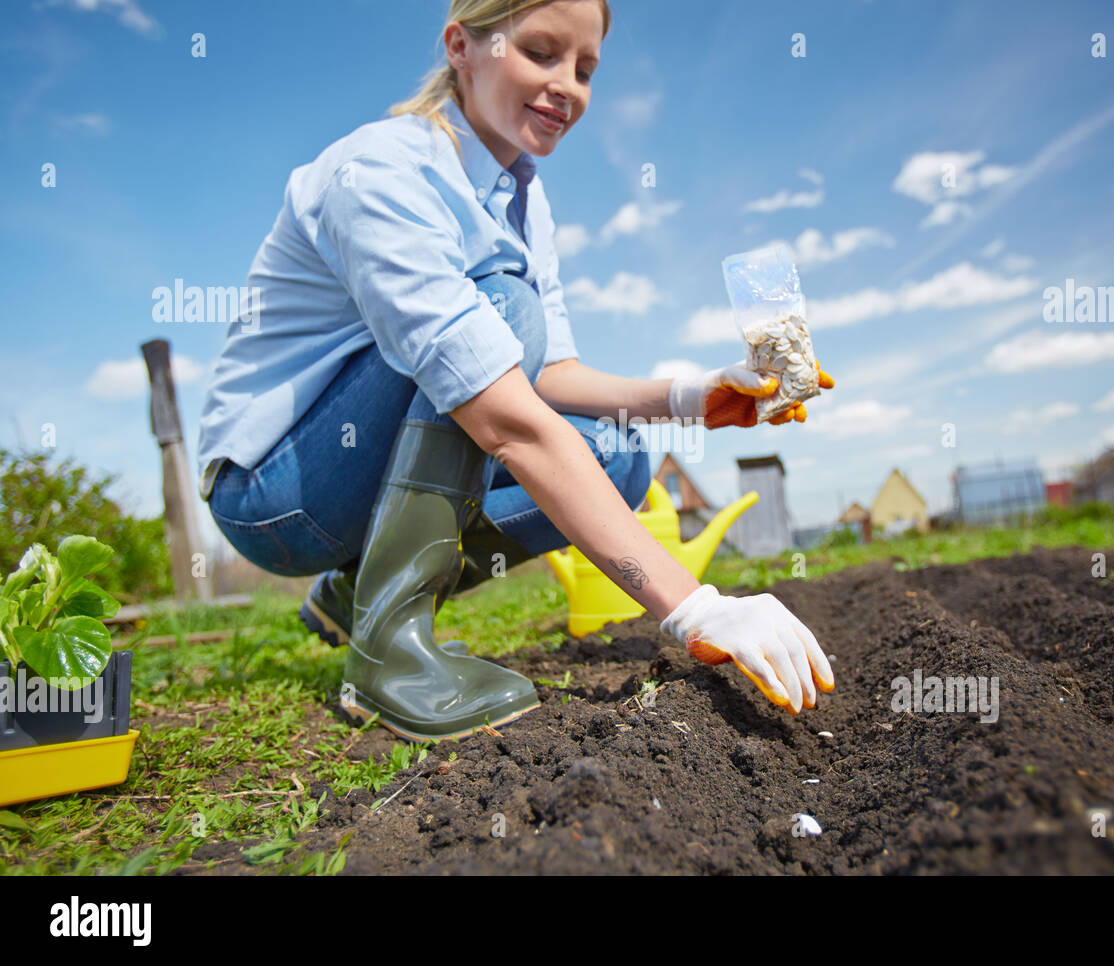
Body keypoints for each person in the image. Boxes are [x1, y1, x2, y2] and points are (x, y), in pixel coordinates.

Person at [195, 0, 836, 743]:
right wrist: (696, 607)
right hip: (278, 492)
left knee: (621, 455)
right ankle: (388, 655)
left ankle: (353, 597)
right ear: (460, 45)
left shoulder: (522, 197)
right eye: (541, 51)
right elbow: (504, 414)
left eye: (585, 68)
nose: (568, 85)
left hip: (358, 466)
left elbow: (550, 373)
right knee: (502, 306)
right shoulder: (381, 171)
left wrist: (696, 398)